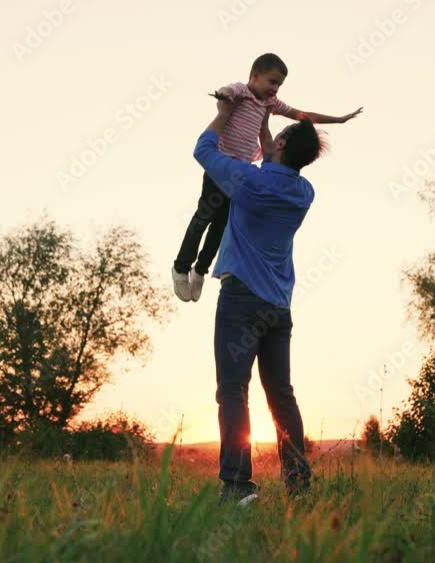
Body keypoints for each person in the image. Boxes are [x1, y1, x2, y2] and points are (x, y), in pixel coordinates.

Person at [193, 92, 328, 504]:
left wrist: (223, 116)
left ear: (281, 145)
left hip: (240, 301)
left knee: (233, 391)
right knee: (281, 394)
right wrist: (267, 124)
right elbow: (274, 163)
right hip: (278, 308)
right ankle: (298, 486)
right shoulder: (304, 192)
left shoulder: (247, 180)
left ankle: (237, 486)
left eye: (277, 136)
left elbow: (202, 150)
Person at [172, 52, 361, 302]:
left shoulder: (270, 104)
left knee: (221, 225)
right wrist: (225, 94)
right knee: (203, 217)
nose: (275, 89)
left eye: (280, 84)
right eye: (272, 82)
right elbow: (228, 89)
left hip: (240, 171)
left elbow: (301, 115)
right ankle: (180, 268)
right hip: (220, 165)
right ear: (255, 76)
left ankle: (200, 270)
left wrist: (337, 120)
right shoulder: (241, 91)